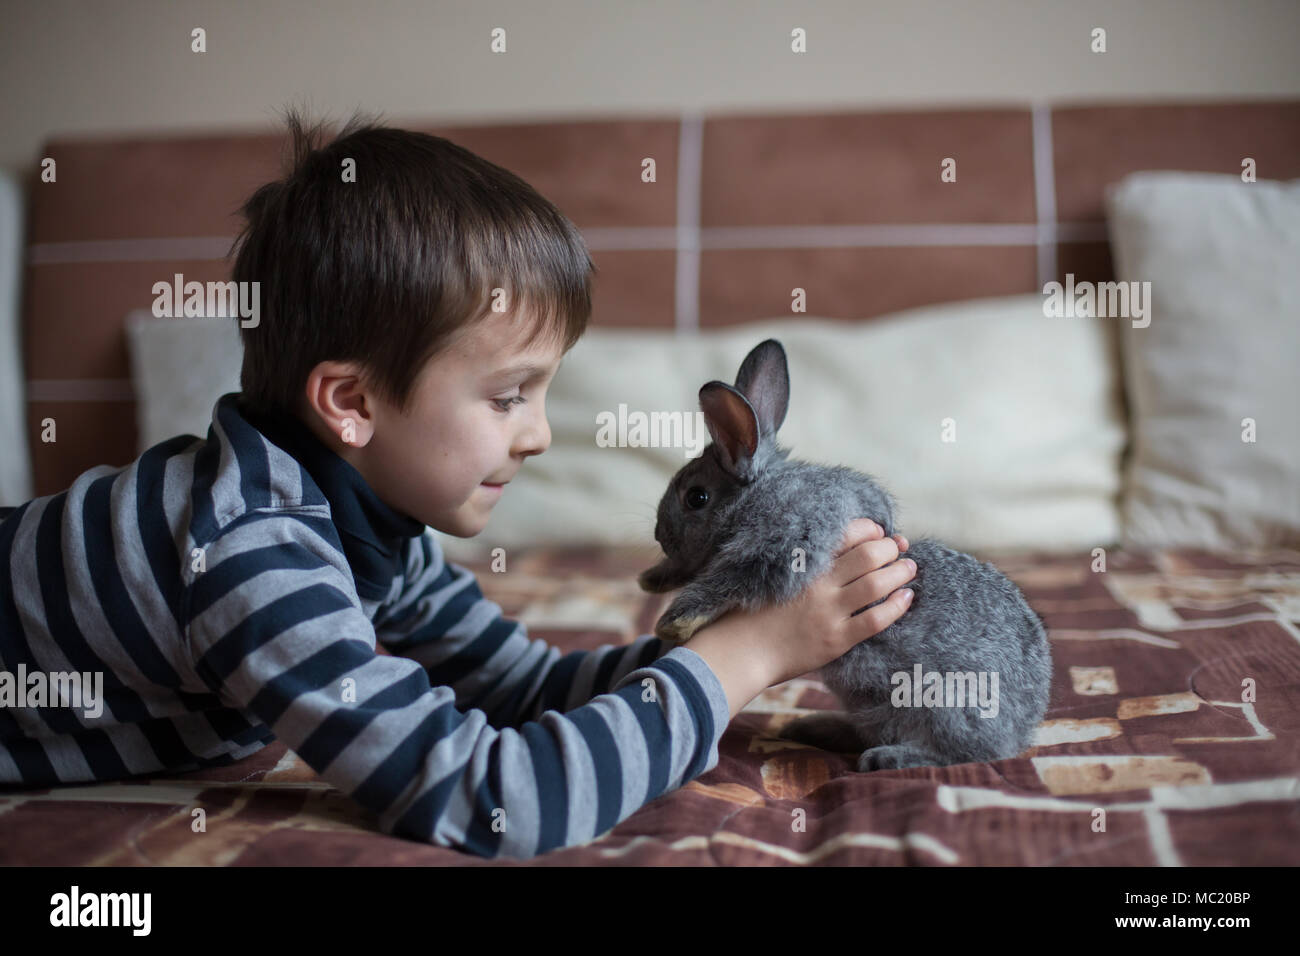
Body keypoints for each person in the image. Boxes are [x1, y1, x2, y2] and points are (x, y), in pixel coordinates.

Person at [0, 110, 916, 858]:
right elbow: (491, 797)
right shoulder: (252, 554)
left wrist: (746, 638)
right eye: (509, 395)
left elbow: (523, 686)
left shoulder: (370, 527)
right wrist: (743, 661)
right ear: (352, 403)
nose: (541, 436)